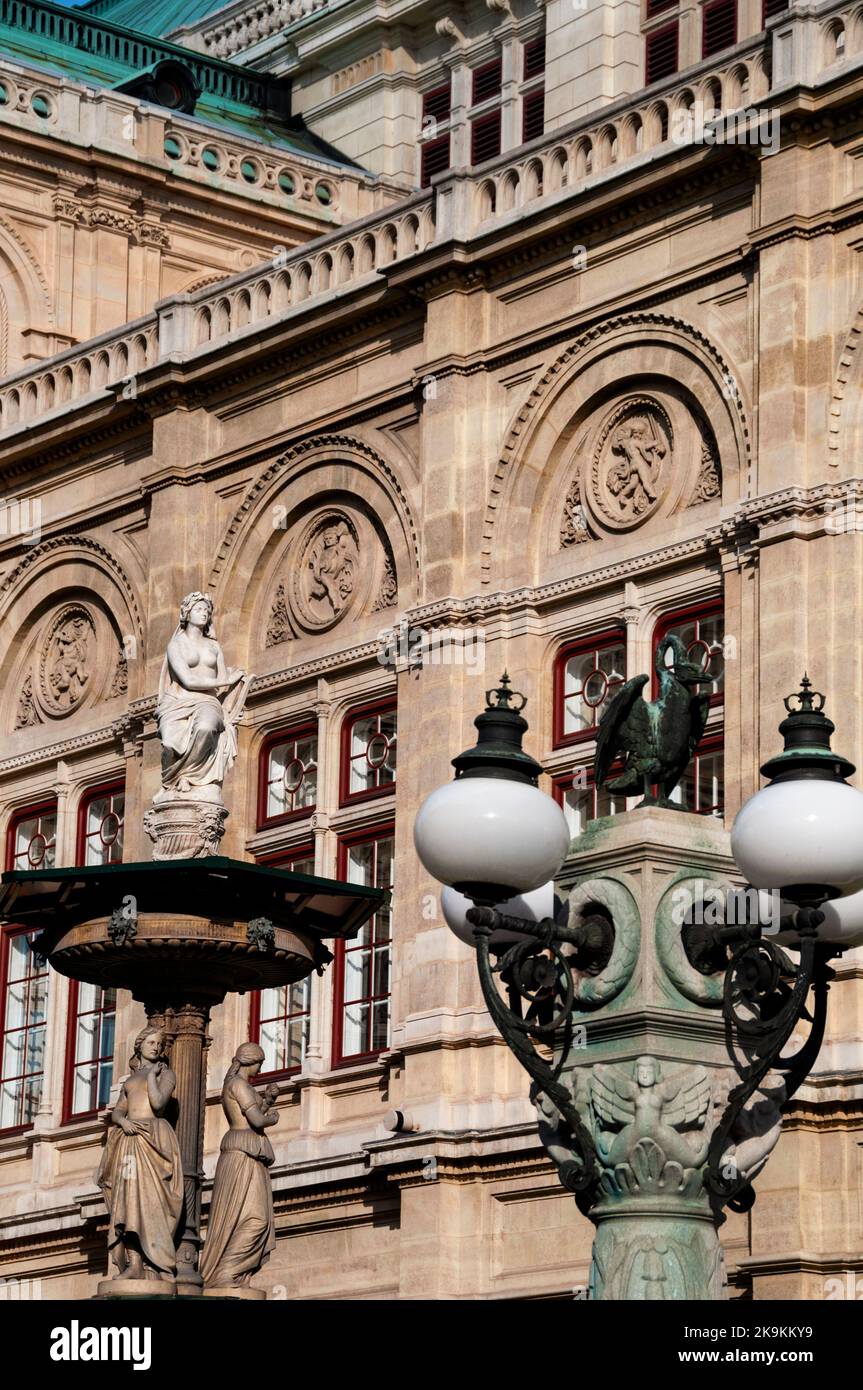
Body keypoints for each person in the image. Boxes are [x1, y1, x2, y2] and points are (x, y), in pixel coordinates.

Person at [96, 1027, 184, 1283]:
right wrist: (122, 1123)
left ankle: (156, 1262)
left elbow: (158, 1104)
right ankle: (134, 1263)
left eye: (159, 1043)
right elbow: (118, 1112)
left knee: (151, 1200)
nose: (156, 1047)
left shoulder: (167, 1074)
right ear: (139, 1045)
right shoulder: (129, 1080)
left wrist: (153, 1077)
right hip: (130, 1141)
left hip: (153, 1139)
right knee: (127, 1202)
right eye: (151, 1042)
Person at [200, 1042, 279, 1290]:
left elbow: (253, 1113)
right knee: (254, 1219)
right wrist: (271, 1118)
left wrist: (267, 1100)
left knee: (254, 1218)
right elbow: (255, 1119)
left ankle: (230, 1271)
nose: (260, 1068)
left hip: (248, 1151)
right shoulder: (238, 1085)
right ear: (250, 1061)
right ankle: (225, 1271)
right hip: (243, 1152)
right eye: (260, 1063)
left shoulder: (239, 1085)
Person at [154, 592, 248, 800]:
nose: (203, 613)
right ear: (186, 614)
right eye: (198, 609)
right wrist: (225, 681)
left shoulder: (214, 646)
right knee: (169, 743)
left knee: (205, 728)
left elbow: (223, 678)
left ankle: (190, 775)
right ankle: (173, 777)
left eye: (207, 610)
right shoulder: (176, 645)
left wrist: (236, 682)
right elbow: (188, 680)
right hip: (179, 701)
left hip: (207, 701)